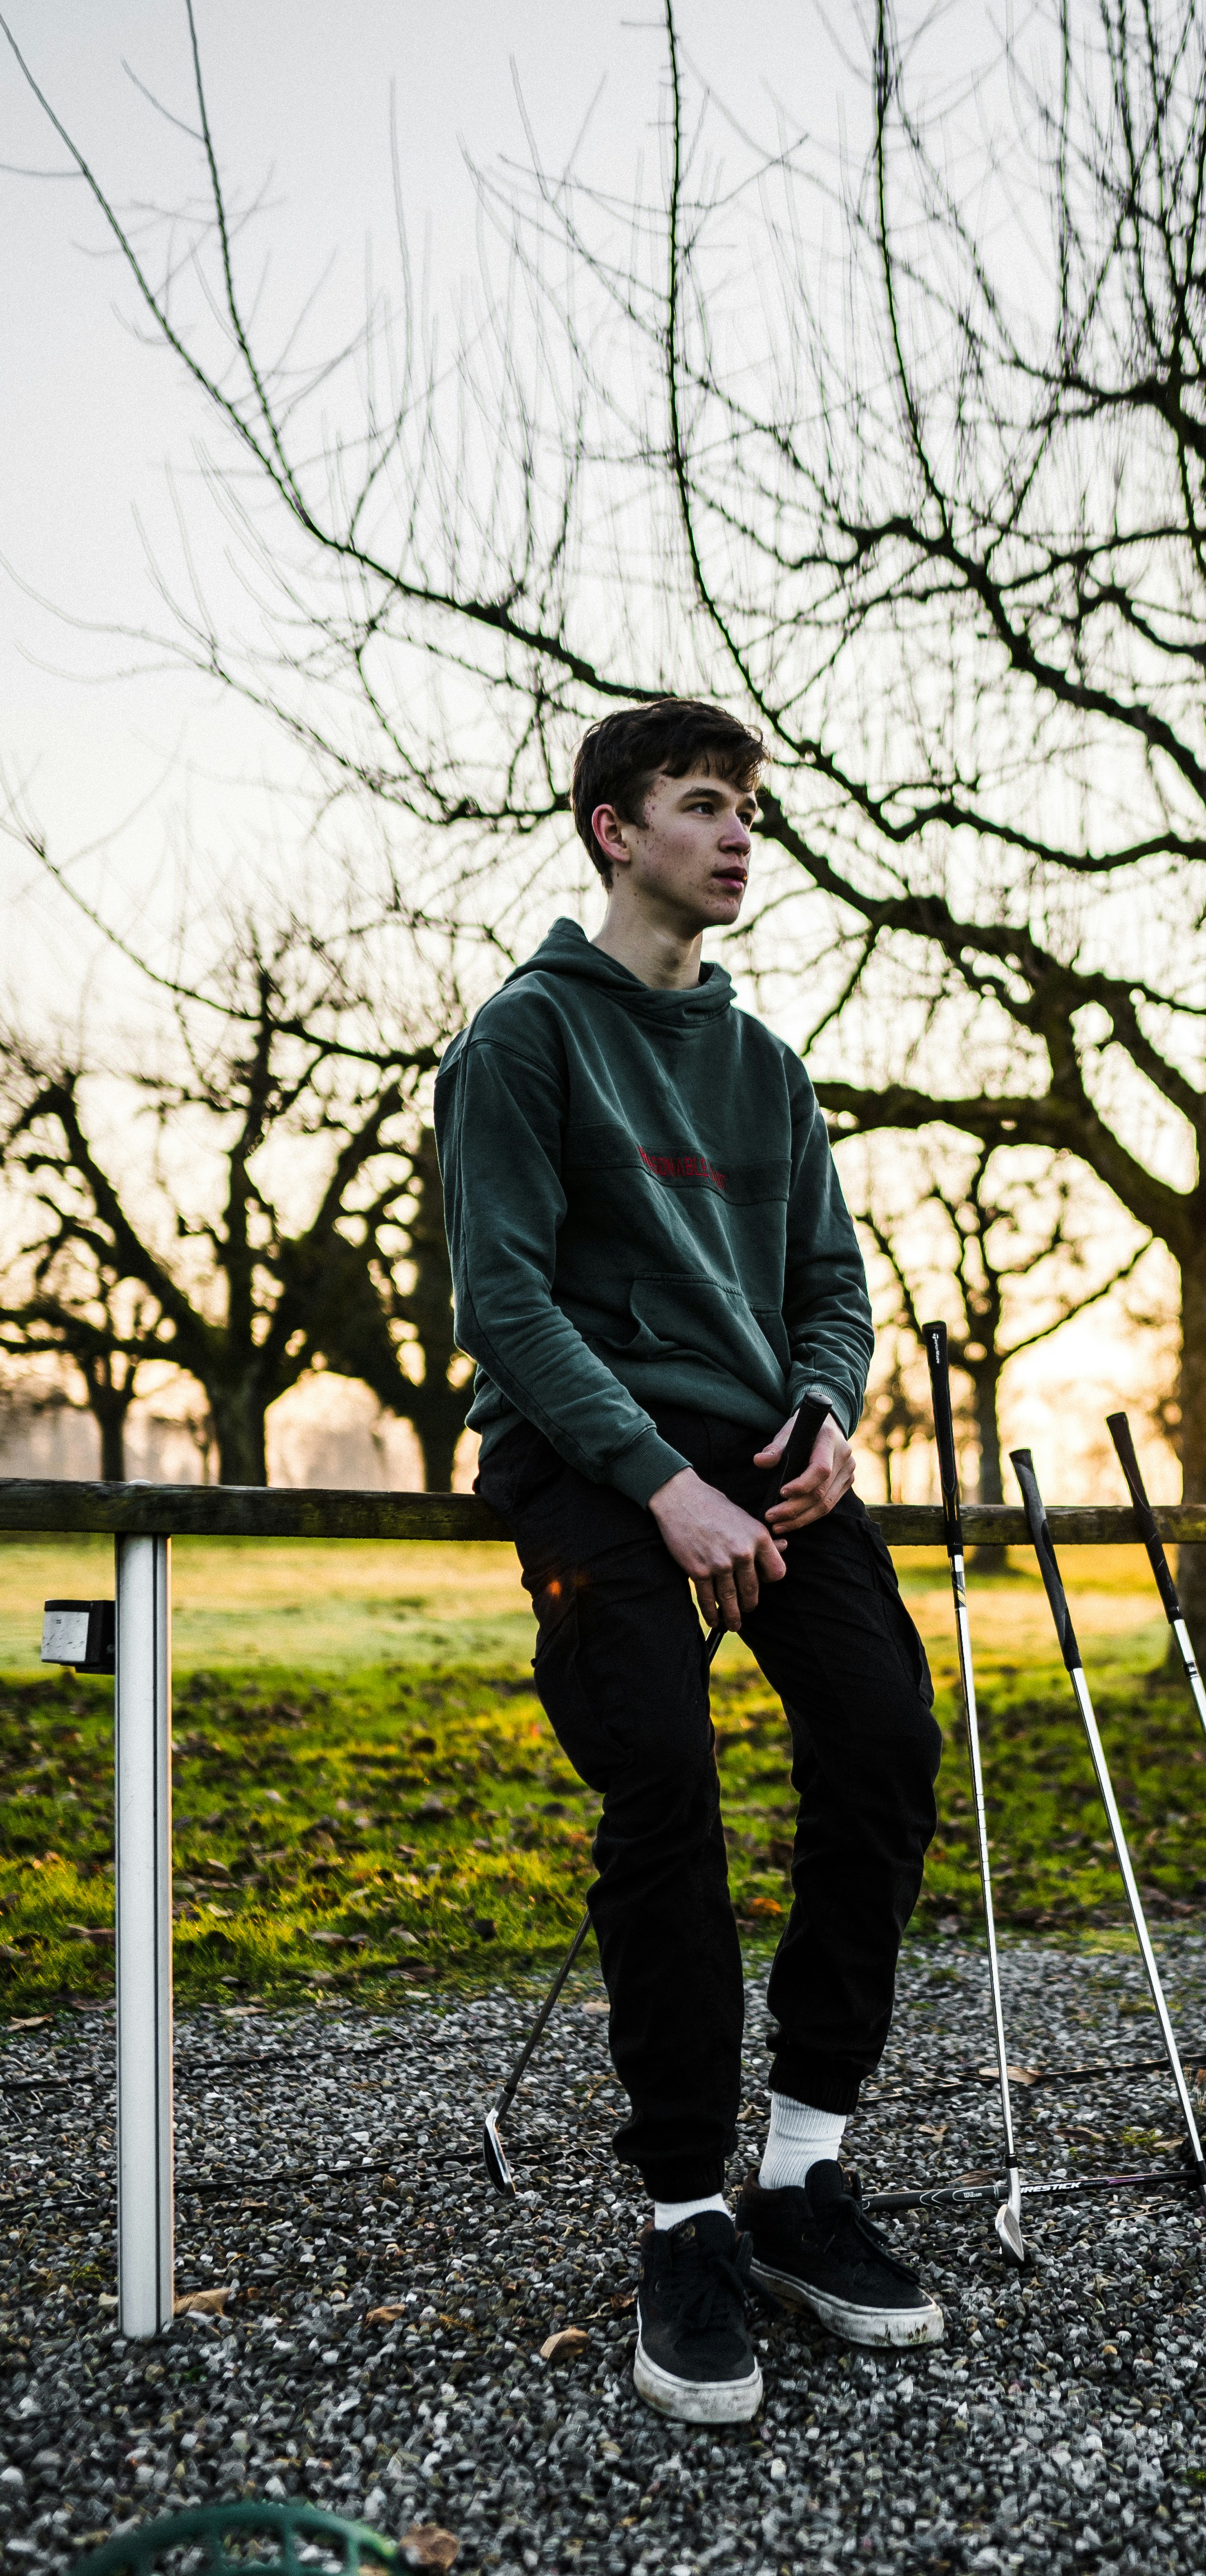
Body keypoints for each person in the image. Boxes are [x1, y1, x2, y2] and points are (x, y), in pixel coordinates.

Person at [436, 699, 946, 2424]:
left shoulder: (766, 1066)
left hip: (769, 1467)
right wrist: (662, 1482)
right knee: (662, 1781)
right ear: (612, 828)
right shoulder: (520, 1043)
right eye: (705, 806)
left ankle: (803, 2175)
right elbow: (501, 1301)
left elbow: (831, 1283)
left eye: (751, 810)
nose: (740, 837)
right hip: (592, 1459)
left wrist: (823, 1416)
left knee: (883, 1742)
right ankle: (686, 2212)